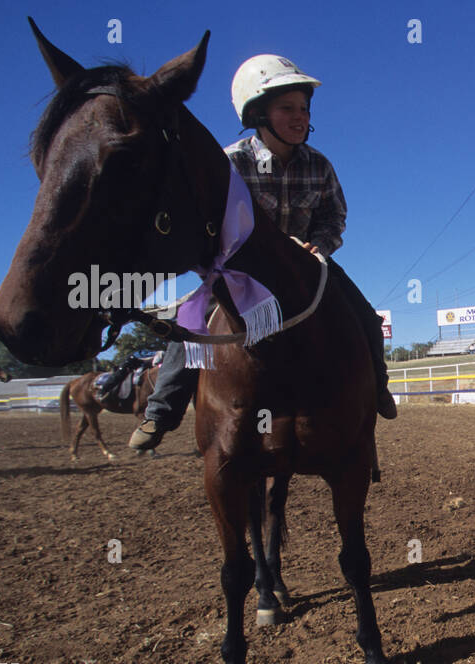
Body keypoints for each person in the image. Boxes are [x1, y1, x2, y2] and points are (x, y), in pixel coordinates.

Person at [131, 54, 396, 451]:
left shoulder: (319, 166)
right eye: (287, 108)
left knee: (365, 317)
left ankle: (378, 391)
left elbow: (333, 218)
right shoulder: (229, 162)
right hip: (241, 271)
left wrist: (317, 247)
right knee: (190, 325)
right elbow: (208, 223)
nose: (300, 117)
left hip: (309, 267)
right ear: (258, 113)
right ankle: (161, 412)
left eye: (304, 108)